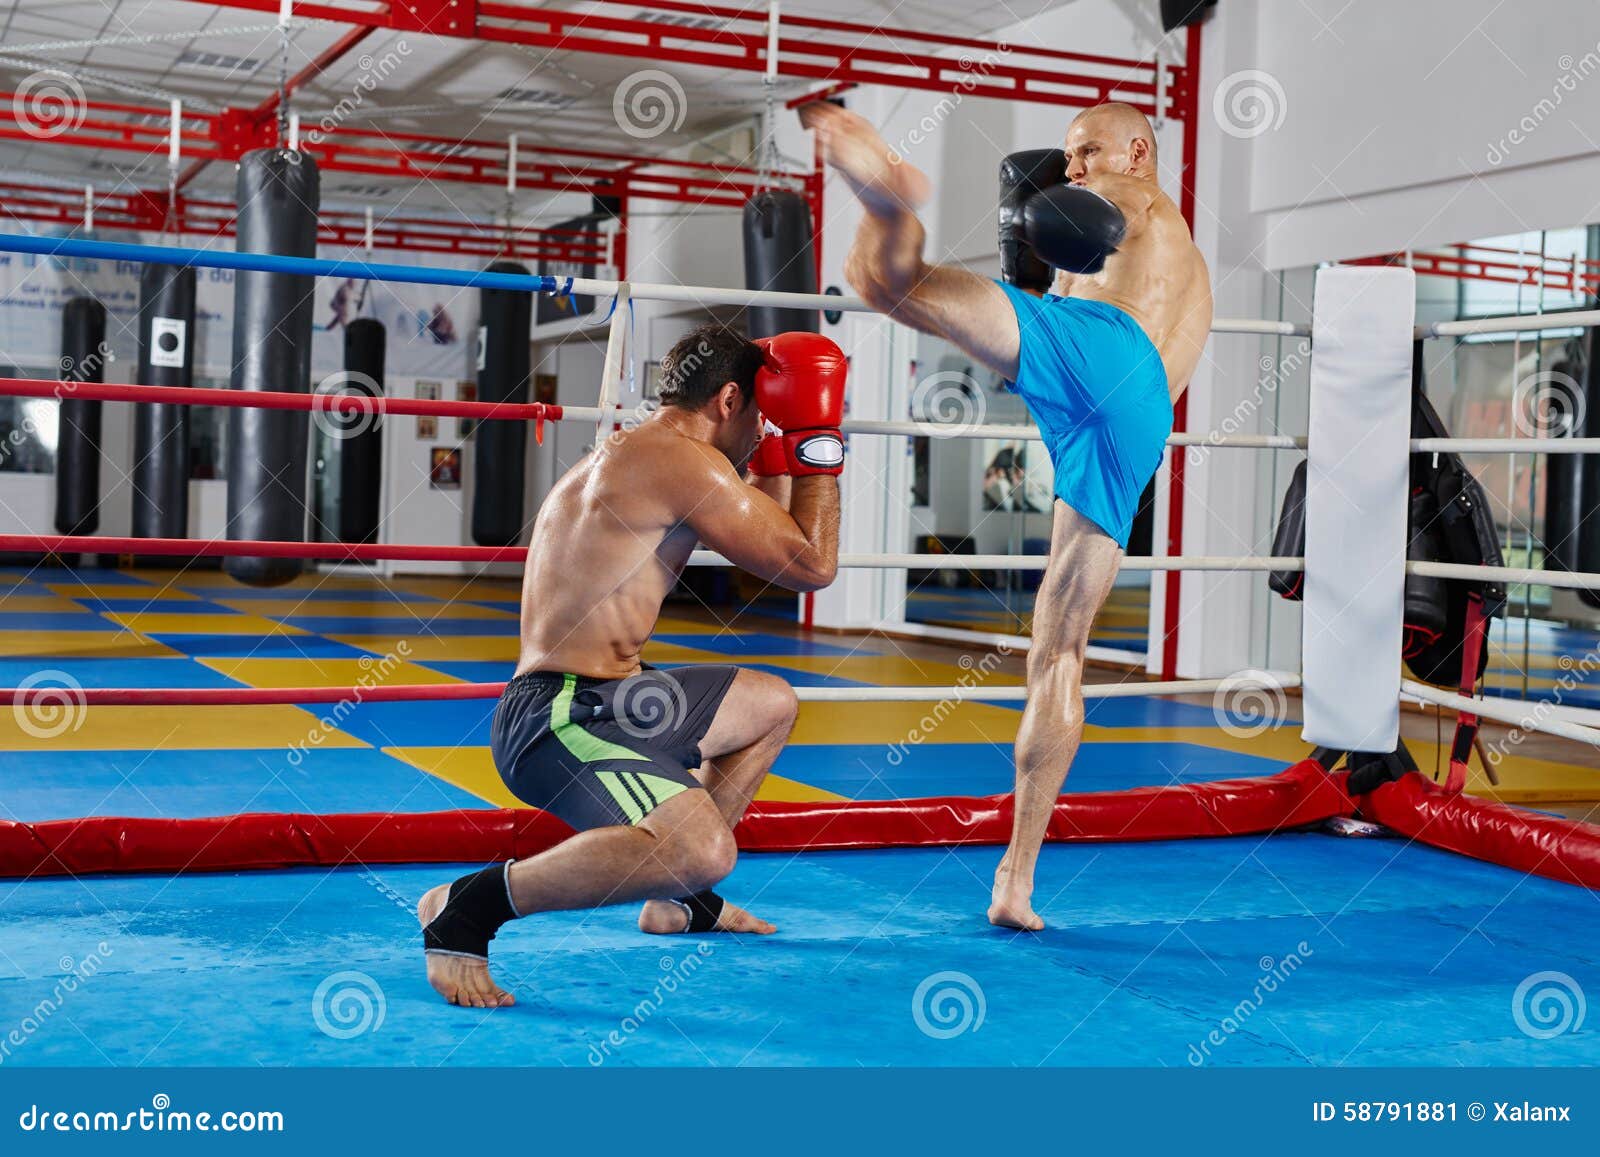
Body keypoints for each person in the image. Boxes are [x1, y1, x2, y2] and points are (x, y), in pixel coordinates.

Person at [801, 99, 1212, 930]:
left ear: (1138, 149)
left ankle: (890, 198)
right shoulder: (1181, 259)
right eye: (1066, 156)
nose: (1074, 169)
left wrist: (1054, 229)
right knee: (1057, 647)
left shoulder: (1137, 200)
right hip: (1132, 422)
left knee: (886, 280)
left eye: (1088, 149)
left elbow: (1109, 215)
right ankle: (1015, 880)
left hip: (1105, 351)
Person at [419, 323, 846, 1006]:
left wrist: (775, 447)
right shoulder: (683, 460)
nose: (765, 433)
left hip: (615, 695)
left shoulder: (636, 451)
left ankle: (680, 901)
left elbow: (763, 527)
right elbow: (809, 564)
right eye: (761, 416)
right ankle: (467, 905)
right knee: (706, 847)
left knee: (771, 703)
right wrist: (820, 441)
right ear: (731, 400)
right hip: (558, 717)